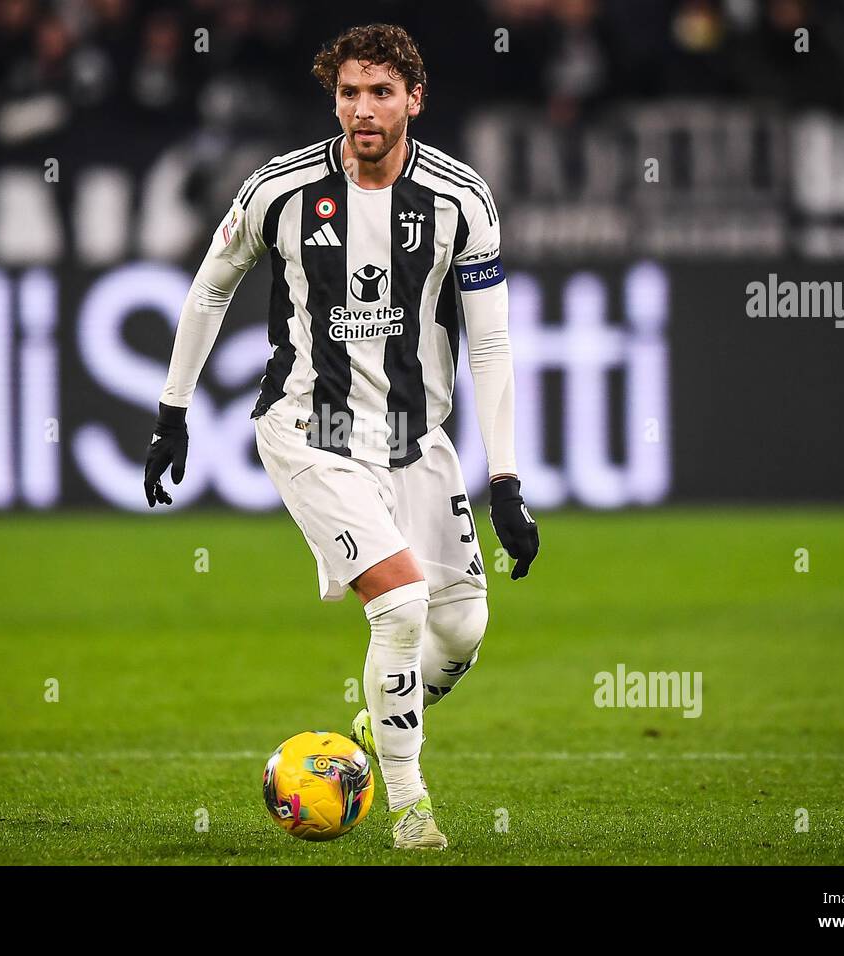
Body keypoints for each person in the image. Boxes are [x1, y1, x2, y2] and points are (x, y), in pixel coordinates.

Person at [144, 22, 539, 850]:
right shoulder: (278, 191)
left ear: (414, 100)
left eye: (381, 93)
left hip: (415, 439)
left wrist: (504, 479)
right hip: (310, 430)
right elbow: (210, 289)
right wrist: (173, 411)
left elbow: (494, 343)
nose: (364, 110)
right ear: (334, 98)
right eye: (350, 93)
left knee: (461, 631)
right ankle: (409, 806)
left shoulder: (462, 200)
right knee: (398, 603)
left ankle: (378, 720)